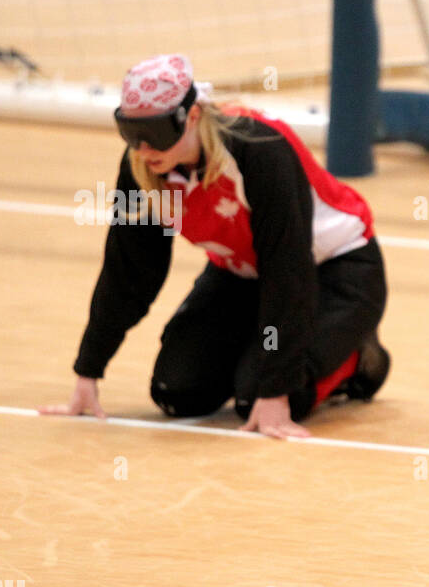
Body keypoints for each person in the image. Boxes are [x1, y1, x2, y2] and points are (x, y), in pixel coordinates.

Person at [41, 54, 390, 438]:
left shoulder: (259, 149)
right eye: (130, 132)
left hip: (336, 272)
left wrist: (275, 389)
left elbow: (288, 269)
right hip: (244, 276)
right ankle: (257, 355)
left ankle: (356, 357)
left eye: (155, 132)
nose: (143, 148)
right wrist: (88, 370)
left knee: (261, 397)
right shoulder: (142, 166)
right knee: (177, 393)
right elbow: (129, 272)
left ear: (190, 117)